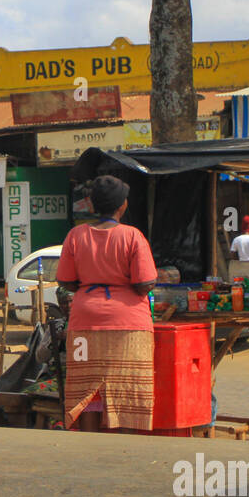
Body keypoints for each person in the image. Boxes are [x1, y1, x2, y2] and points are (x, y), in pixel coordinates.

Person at [56, 175, 157, 433]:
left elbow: (65, 280)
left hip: (84, 322)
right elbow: (145, 283)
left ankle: (89, 440)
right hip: (129, 324)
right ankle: (124, 441)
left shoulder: (76, 235)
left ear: (92, 205)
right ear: (122, 206)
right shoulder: (133, 236)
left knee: (86, 383)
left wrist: (90, 282)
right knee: (128, 383)